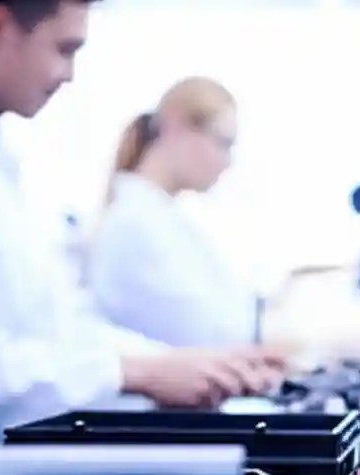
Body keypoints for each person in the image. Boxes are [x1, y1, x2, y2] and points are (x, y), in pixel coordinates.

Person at [0, 0, 281, 445]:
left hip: (2, 472)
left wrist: (180, 366)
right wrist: (132, 372)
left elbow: (54, 330)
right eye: (64, 49)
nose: (69, 75)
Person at [88, 77, 258, 348]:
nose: (227, 162)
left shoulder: (162, 218)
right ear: (175, 127)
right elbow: (206, 333)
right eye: (223, 144)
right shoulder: (134, 224)